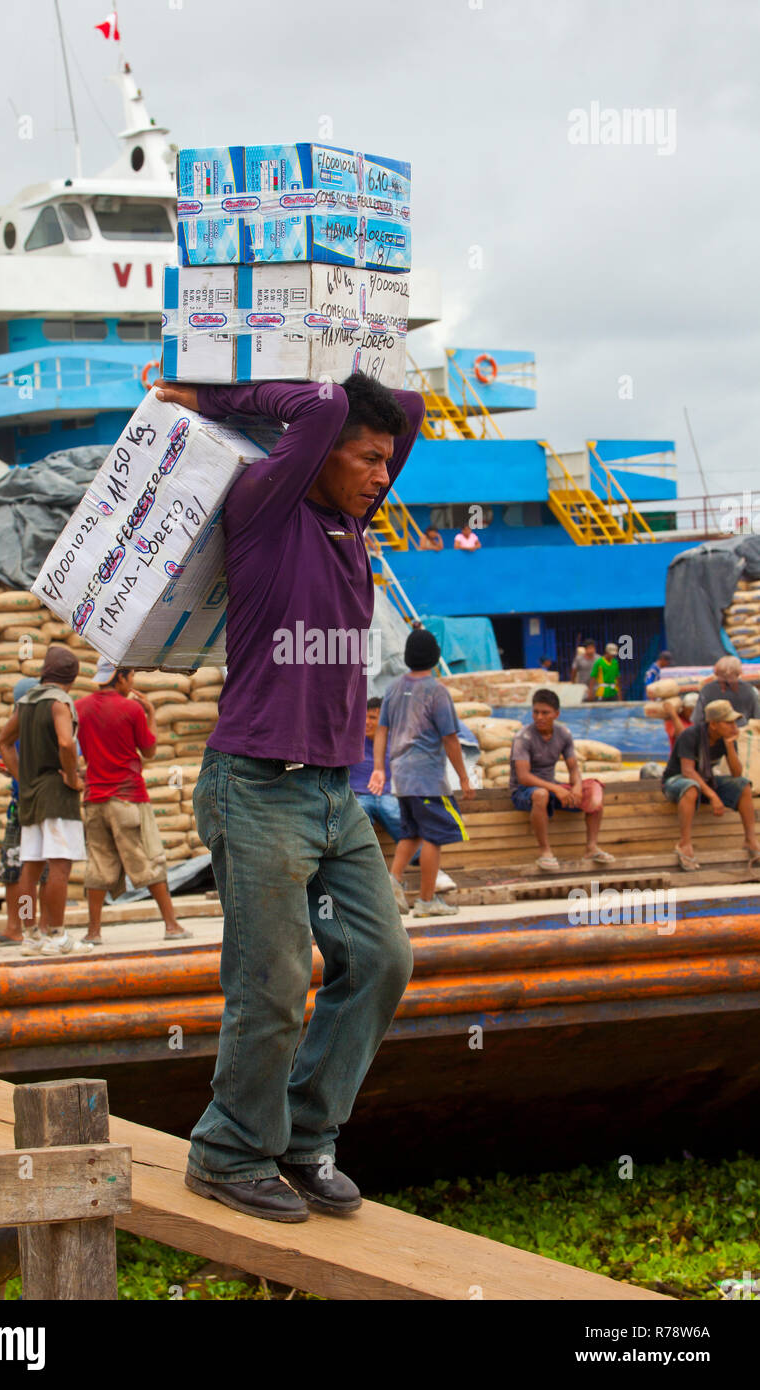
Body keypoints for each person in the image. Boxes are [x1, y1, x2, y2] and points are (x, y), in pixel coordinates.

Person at [154, 370, 423, 1224]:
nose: (385, 476)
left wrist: (375, 414)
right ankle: (230, 1151)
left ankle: (304, 1138)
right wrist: (205, 398)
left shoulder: (352, 519)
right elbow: (320, 406)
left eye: (389, 464)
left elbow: (401, 411)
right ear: (319, 456)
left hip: (334, 793)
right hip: (258, 785)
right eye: (370, 461)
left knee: (381, 960)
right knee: (270, 985)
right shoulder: (268, 508)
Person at [76, 658, 193, 944]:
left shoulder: (79, 707)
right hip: (128, 798)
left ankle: (93, 933)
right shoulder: (131, 708)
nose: (133, 683)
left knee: (99, 864)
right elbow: (149, 750)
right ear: (121, 677)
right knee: (148, 860)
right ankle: (171, 925)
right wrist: (150, 713)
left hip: (94, 799)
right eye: (132, 676)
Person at [370, 628, 473, 917]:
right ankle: (427, 901)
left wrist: (380, 768)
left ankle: (393, 882)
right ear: (435, 656)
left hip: (401, 778)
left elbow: (381, 731)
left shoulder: (392, 688)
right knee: (433, 837)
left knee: (412, 833)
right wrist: (463, 777)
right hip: (427, 778)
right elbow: (450, 738)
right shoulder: (436, 691)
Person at [0, 646, 85, 957]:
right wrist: (72, 777)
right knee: (60, 866)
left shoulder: (26, 702)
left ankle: (30, 934)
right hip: (56, 793)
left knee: (29, 870)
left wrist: (22, 776)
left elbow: (4, 742)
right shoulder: (59, 702)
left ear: (45, 673)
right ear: (71, 678)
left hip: (31, 795)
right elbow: (65, 741)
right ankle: (57, 935)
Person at [350, 696, 456, 896]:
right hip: (358, 796)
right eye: (364, 717)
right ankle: (361, 879)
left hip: (390, 796)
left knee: (404, 820)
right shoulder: (351, 741)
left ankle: (433, 872)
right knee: (356, 822)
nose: (367, 722)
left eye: (373, 718)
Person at [509, 688, 616, 873]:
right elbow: (524, 777)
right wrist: (557, 789)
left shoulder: (563, 734)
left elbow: (573, 768)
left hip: (550, 786)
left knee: (594, 790)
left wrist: (577, 787)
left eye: (545, 713)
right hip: (523, 792)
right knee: (541, 794)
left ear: (556, 714)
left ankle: (591, 848)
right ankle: (545, 852)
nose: (539, 717)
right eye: (536, 712)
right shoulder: (523, 737)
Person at [662, 698, 760, 871]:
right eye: (728, 723)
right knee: (691, 787)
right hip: (676, 781)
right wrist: (713, 796)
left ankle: (751, 840)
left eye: (734, 722)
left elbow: (736, 774)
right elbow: (688, 771)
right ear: (713, 724)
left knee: (743, 785)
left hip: (705, 781)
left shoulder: (725, 738)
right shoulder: (691, 735)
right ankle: (684, 844)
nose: (733, 727)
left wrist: (730, 746)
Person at [0, 676, 49, 948]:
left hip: (26, 805)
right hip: (38, 804)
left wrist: (16, 773)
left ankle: (22, 926)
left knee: (20, 870)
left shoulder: (20, 730)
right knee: (37, 871)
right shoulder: (50, 724)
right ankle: (35, 926)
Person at [692, 656, 760, 727]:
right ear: (739, 672)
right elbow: (757, 717)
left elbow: (698, 719)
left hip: (714, 733)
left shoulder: (707, 690)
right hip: (742, 731)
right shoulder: (749, 689)